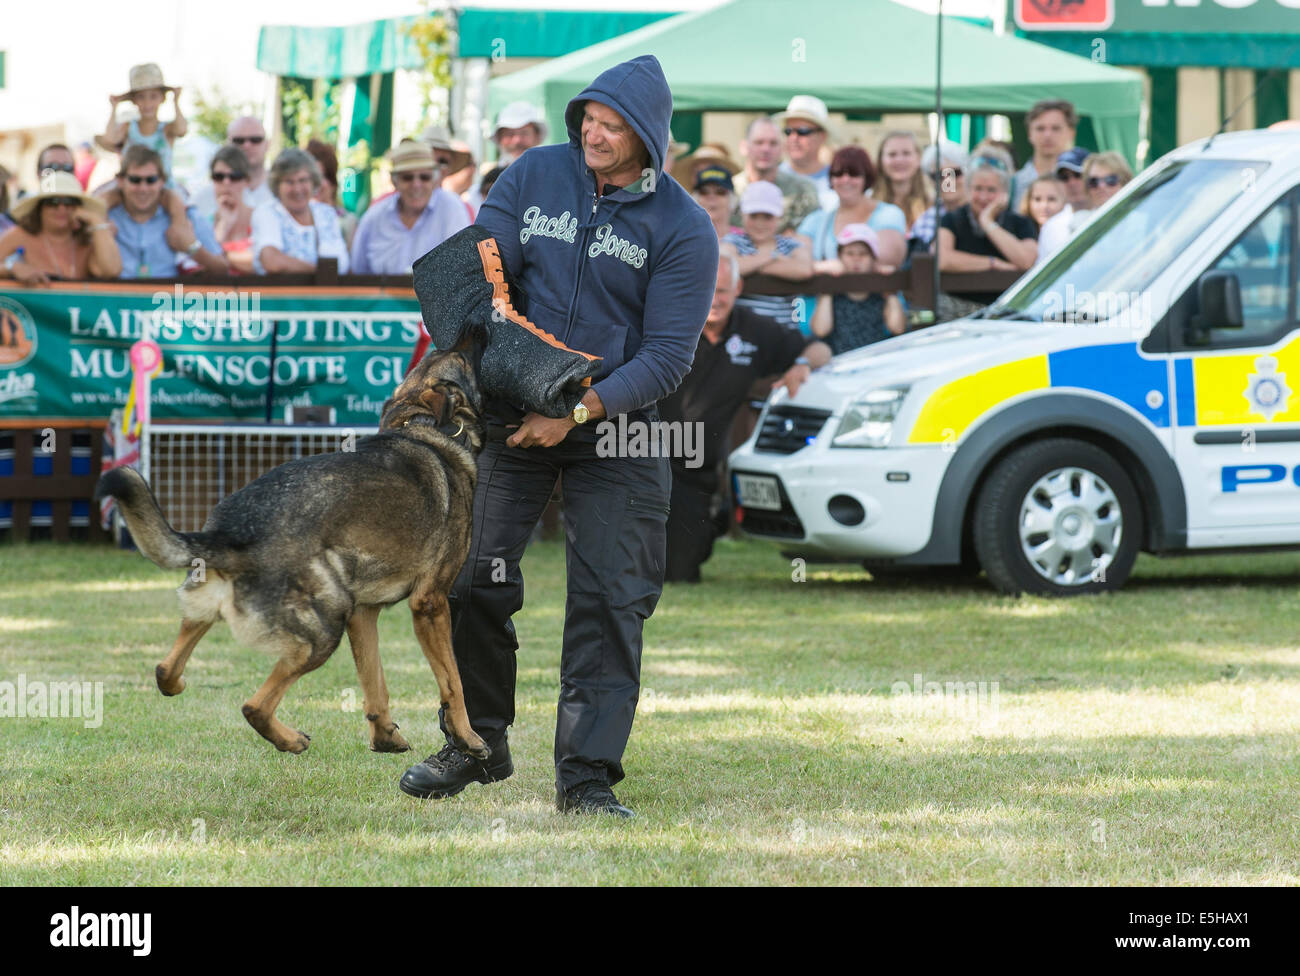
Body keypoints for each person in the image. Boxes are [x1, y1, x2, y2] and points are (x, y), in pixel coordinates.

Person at [397, 54, 718, 819]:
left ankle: (587, 778)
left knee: (611, 598)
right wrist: (465, 298)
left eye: (613, 127)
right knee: (472, 576)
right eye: (589, 121)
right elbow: (490, 260)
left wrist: (575, 414)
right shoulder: (534, 174)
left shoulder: (684, 227)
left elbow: (669, 359)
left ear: (649, 139)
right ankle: (477, 743)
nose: (595, 136)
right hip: (512, 411)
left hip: (622, 427)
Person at [660, 252, 831, 583]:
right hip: (646, 459)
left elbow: (820, 349)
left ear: (738, 288)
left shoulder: (755, 330)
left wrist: (802, 365)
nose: (715, 299)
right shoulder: (669, 322)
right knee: (637, 569)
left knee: (678, 573)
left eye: (723, 290)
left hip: (697, 474)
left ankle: (716, 519)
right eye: (708, 288)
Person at [350, 139, 470, 274]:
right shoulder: (374, 217)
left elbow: (463, 267)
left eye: (424, 177)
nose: (416, 185)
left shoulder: (452, 208)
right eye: (407, 177)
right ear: (394, 181)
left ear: (435, 180)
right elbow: (358, 271)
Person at [108, 146, 225, 278]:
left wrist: (192, 248)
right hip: (118, 296)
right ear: (121, 181)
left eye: (150, 180)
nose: (143, 188)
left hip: (167, 296)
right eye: (135, 180)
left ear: (162, 181)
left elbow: (222, 268)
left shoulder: (188, 216)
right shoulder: (107, 218)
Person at [937, 156, 1038, 306]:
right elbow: (943, 259)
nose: (983, 197)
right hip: (958, 306)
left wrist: (987, 222)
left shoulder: (1020, 222)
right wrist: (993, 263)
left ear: (1004, 192)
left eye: (991, 190)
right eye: (978, 189)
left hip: (1008, 306)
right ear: (968, 189)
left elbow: (1026, 260)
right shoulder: (951, 220)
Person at [0, 170, 122, 284]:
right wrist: (11, 267)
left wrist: (95, 220)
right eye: (53, 202)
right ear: (39, 208)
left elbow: (111, 271)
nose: (61, 208)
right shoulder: (19, 235)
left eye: (69, 202)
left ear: (78, 207)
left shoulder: (88, 240)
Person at [796, 145, 907, 271]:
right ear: (831, 179)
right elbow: (796, 260)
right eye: (838, 174)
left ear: (867, 177)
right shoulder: (816, 220)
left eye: (854, 173)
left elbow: (888, 258)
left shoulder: (888, 214)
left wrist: (825, 267)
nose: (845, 179)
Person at [724, 181, 812, 326]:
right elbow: (727, 266)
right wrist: (772, 257)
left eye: (767, 216)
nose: (760, 223)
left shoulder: (791, 244)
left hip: (785, 331)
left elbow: (804, 269)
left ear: (779, 217)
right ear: (743, 215)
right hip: (742, 332)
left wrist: (749, 266)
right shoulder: (733, 240)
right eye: (753, 216)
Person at [809, 224, 905, 355]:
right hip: (837, 362)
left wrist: (889, 290)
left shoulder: (879, 292)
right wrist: (828, 290)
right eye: (850, 253)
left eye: (863, 253)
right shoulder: (833, 292)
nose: (856, 259)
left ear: (873, 258)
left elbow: (897, 328)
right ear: (839, 256)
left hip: (874, 360)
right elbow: (820, 330)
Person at [251, 149, 350, 275]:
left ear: (313, 181)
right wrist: (321, 272)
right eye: (289, 182)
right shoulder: (268, 212)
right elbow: (272, 262)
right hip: (279, 293)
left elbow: (341, 264)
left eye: (303, 180)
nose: (297, 189)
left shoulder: (326, 213)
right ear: (277, 185)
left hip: (328, 293)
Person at [96, 64, 187, 189]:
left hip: (162, 188)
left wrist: (176, 101)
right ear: (134, 100)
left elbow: (182, 130)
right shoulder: (128, 127)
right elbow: (110, 139)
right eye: (141, 97)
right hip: (131, 188)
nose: (147, 103)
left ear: (162, 98)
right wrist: (114, 108)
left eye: (153, 96)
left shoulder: (166, 129)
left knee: (175, 204)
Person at [731, 117, 820, 236]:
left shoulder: (803, 191)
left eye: (773, 143)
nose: (766, 149)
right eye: (759, 142)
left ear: (783, 148)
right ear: (744, 147)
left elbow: (810, 235)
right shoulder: (729, 191)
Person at [463, 101, 548, 214]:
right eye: (509, 134)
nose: (517, 140)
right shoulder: (480, 190)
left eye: (524, 133)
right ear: (499, 139)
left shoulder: (552, 180)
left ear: (537, 137)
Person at [190, 117, 275, 220]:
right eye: (239, 141)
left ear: (267, 144)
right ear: (227, 144)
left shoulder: (285, 191)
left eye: (255, 140)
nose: (247, 145)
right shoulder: (203, 198)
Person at [1011, 99, 1078, 208]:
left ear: (1071, 133)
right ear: (1029, 134)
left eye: (1056, 128)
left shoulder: (1082, 182)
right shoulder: (1014, 184)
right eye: (1040, 128)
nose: (1047, 135)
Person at [776, 95, 838, 210]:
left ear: (822, 136)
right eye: (788, 131)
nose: (793, 138)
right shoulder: (774, 177)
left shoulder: (838, 180)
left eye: (803, 131)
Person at [1034, 146, 1091, 265]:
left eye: (1078, 175)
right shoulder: (1051, 227)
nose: (1071, 183)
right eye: (1064, 177)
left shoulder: (1109, 213)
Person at [911, 140, 969, 251]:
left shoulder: (983, 212)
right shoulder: (926, 220)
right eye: (938, 176)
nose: (948, 182)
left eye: (954, 173)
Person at [874, 130, 932, 235]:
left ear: (919, 159)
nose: (899, 160)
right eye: (892, 154)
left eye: (906, 153)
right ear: (880, 160)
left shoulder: (933, 204)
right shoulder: (869, 202)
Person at [208, 145, 254, 274]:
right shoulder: (203, 223)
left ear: (246, 181)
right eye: (219, 176)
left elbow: (261, 263)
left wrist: (221, 256)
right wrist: (223, 225)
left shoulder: (260, 218)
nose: (226, 182)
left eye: (235, 176)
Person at [306, 139, 357, 250]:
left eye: (322, 176)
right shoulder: (291, 220)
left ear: (332, 182)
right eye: (308, 178)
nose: (316, 184)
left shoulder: (347, 222)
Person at [692, 165, 740, 241]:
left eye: (720, 192)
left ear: (732, 199)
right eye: (704, 191)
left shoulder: (745, 238)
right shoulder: (686, 238)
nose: (711, 197)